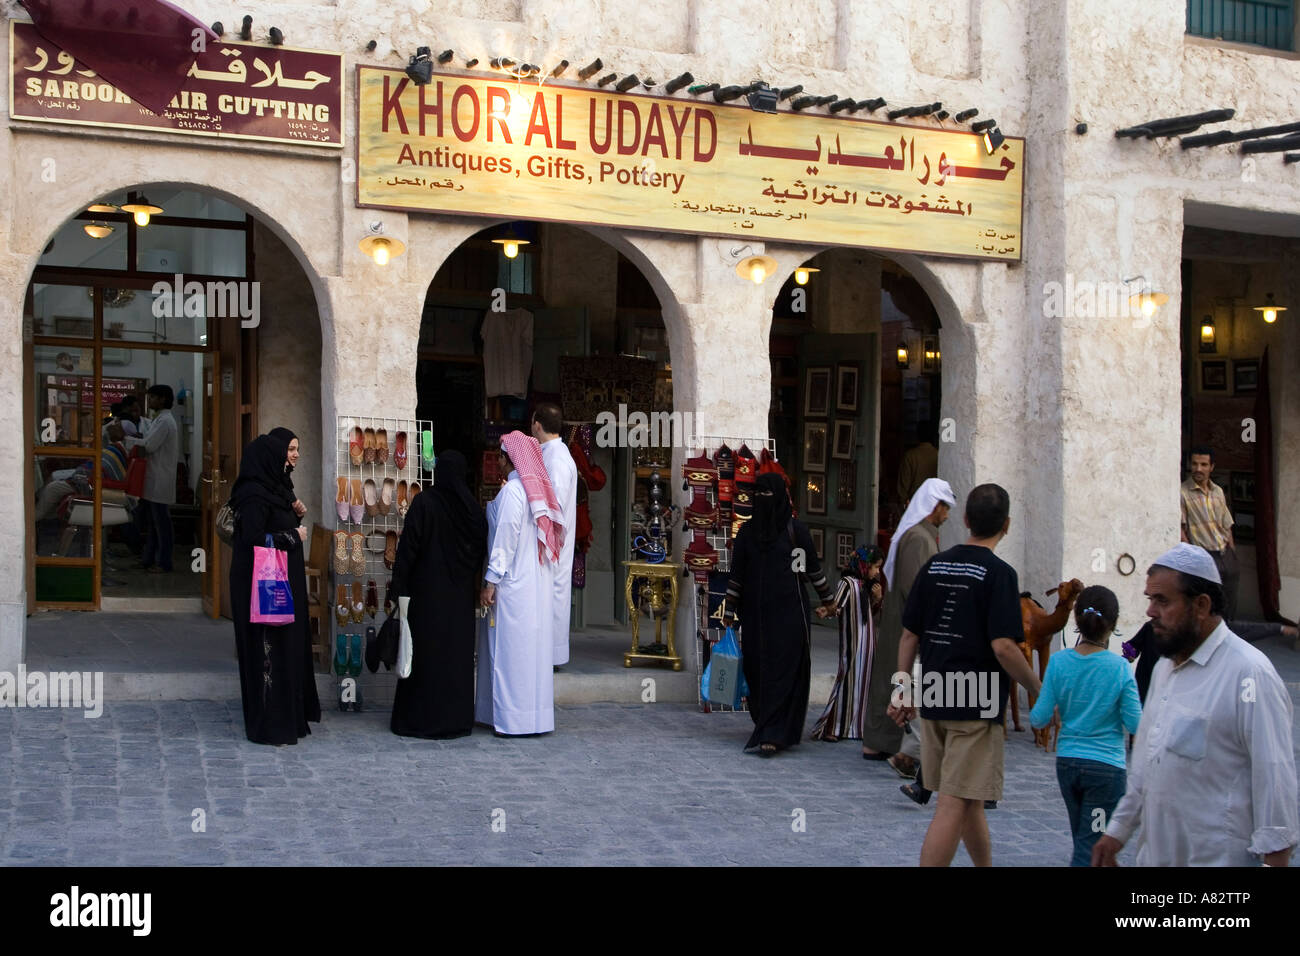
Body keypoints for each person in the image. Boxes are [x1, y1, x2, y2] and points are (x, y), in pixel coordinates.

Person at [1093, 543, 1298, 867]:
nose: (1150, 611)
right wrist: (1115, 833)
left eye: (1162, 600)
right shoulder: (1164, 669)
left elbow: (1275, 783)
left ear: (1201, 605)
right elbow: (1146, 767)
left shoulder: (1249, 674)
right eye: (1150, 599)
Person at [889, 483, 1042, 866]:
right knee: (953, 802)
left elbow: (910, 634)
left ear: (966, 519)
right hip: (977, 699)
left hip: (935, 693)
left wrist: (902, 689)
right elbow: (1004, 647)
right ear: (1006, 524)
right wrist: (1037, 686)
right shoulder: (1000, 574)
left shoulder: (936, 565)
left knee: (968, 795)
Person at [724, 473, 835, 757]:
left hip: (789, 618)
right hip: (757, 620)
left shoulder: (794, 532)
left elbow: (811, 571)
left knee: (784, 672)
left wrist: (830, 602)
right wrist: (729, 610)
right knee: (759, 670)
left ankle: (774, 733)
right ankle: (767, 725)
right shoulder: (748, 534)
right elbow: (737, 576)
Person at [1029, 585, 1141, 866]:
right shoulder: (1119, 668)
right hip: (1106, 770)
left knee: (1085, 837)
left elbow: (1037, 718)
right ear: (1113, 625)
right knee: (1090, 844)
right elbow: (1135, 722)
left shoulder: (1058, 663)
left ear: (1075, 620)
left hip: (1068, 764)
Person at [228, 430, 321, 745]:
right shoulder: (253, 494)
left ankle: (289, 715)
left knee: (286, 650)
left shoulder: (278, 486)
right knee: (269, 653)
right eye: (290, 449)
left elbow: (276, 518)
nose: (295, 455)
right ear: (272, 455)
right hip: (263, 586)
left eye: (297, 448)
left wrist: (294, 513)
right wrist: (293, 536)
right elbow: (252, 538)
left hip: (280, 582)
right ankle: (271, 723)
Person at [390, 450, 488, 739]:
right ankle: (454, 720)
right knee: (455, 658)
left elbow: (408, 549)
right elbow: (480, 549)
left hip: (427, 595)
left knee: (427, 656)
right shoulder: (472, 510)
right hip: (458, 599)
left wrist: (399, 586)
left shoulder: (425, 503)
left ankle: (421, 720)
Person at [477, 431, 564, 736]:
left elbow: (506, 539)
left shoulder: (514, 493)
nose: (498, 462)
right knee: (529, 657)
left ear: (509, 459)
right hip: (534, 585)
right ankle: (527, 717)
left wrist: (490, 580)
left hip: (513, 586)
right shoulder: (529, 491)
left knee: (511, 656)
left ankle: (513, 719)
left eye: (501, 457)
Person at [881, 478, 955, 787]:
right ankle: (909, 756)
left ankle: (910, 757)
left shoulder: (924, 536)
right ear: (934, 507)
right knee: (917, 689)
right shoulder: (919, 538)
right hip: (916, 627)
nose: (947, 516)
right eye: (945, 508)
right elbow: (917, 589)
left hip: (917, 627)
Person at [811, 545, 885, 743]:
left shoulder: (866, 585)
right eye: (875, 567)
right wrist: (826, 611)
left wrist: (877, 599)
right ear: (865, 565)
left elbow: (870, 612)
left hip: (867, 642)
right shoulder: (848, 583)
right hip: (853, 642)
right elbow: (837, 605)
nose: (878, 572)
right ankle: (833, 726)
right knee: (847, 681)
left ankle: (856, 727)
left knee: (862, 682)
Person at [531, 402, 577, 669]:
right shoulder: (550, 453)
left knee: (554, 594)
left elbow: (554, 502)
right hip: (548, 540)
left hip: (553, 541)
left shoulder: (557, 457)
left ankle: (552, 656)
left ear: (537, 425)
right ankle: (546, 653)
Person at [1180, 445, 1239, 621]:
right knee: (1208, 606)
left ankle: (1228, 638)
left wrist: (1232, 553)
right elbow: (1181, 529)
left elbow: (1226, 524)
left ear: (1211, 467)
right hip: (1204, 556)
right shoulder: (1182, 492)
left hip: (1225, 554)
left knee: (1229, 605)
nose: (1199, 469)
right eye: (1195, 464)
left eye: (1204, 464)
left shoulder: (1218, 491)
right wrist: (1195, 557)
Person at [125, 384, 179, 573]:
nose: (151, 402)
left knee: (161, 524)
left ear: (163, 399)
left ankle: (164, 563)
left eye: (153, 398)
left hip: (160, 479)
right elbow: (147, 440)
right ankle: (148, 559)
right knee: (153, 524)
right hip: (154, 479)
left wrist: (125, 439)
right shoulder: (160, 419)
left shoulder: (165, 421)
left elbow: (148, 446)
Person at [897, 422, 939, 507]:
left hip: (914, 506)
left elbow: (903, 488)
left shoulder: (910, 456)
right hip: (934, 506)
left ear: (917, 435)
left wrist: (903, 504)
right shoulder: (938, 455)